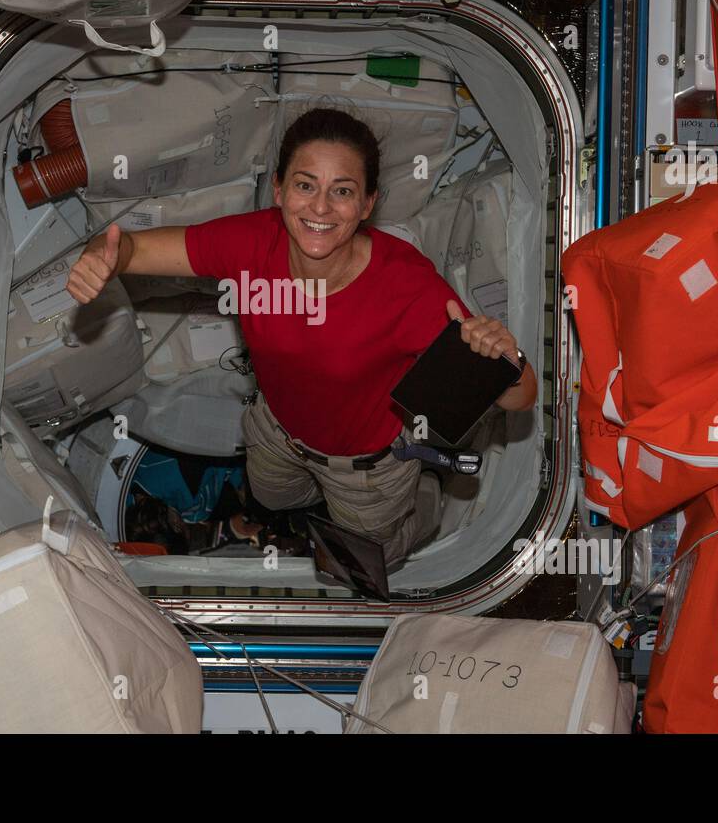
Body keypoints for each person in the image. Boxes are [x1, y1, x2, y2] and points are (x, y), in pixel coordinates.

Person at [68, 107, 537, 568]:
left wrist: (502, 353)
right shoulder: (251, 244)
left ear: (368, 203)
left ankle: (426, 499)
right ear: (279, 188)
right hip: (277, 433)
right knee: (272, 499)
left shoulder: (406, 288)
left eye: (343, 191)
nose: (320, 207)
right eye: (305, 185)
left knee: (369, 554)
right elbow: (130, 247)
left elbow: (521, 397)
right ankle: (296, 525)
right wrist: (101, 256)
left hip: (366, 469)